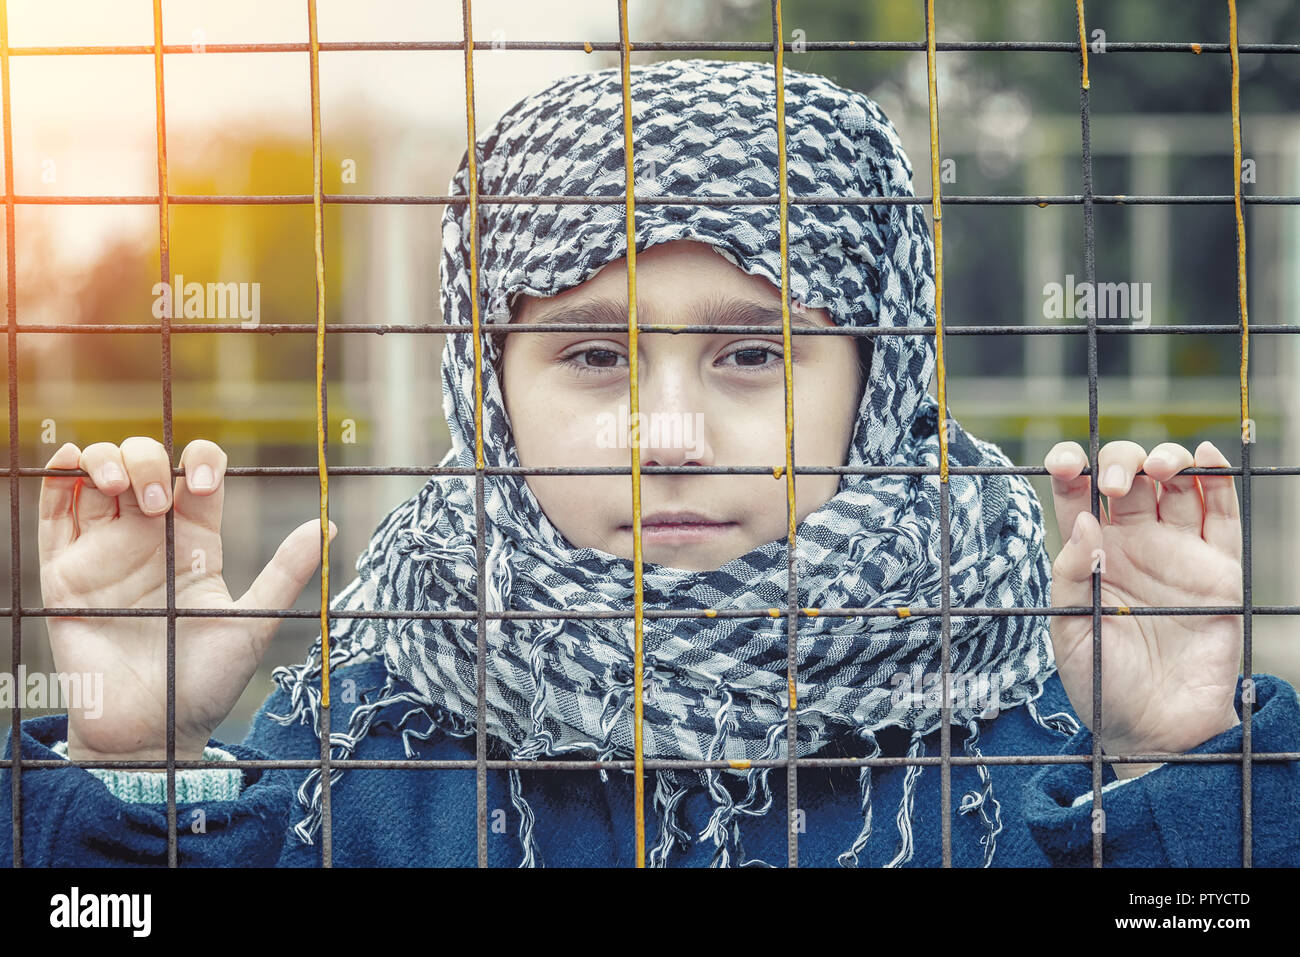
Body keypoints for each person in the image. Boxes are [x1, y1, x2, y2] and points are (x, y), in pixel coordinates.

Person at [4, 58, 1297, 868]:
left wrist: (1180, 764)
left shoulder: (1048, 723)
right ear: (489, 384)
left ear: (878, 376)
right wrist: (138, 752)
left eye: (750, 355)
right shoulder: (356, 736)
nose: (667, 430)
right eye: (592, 357)